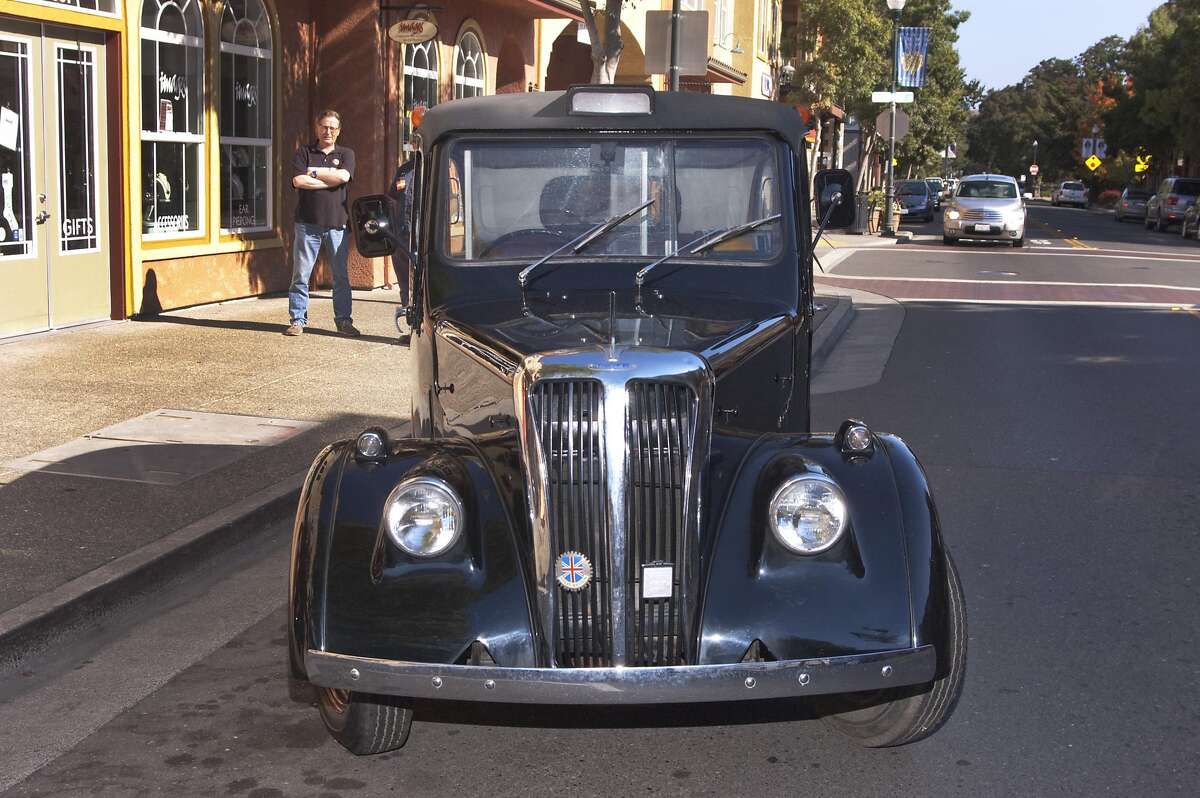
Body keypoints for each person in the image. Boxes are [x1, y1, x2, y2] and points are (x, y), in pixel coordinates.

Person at [285, 110, 358, 337]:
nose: (328, 131)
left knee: (341, 277)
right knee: (301, 274)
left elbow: (344, 177)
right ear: (317, 128)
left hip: (337, 224)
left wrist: (314, 174)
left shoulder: (346, 153)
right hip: (307, 224)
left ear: (339, 131)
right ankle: (298, 320)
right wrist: (329, 179)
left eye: (332, 128)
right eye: (324, 127)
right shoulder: (304, 152)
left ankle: (343, 321)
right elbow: (298, 180)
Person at [385, 158, 416, 309]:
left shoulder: (434, 166)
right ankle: (407, 310)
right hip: (402, 231)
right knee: (403, 278)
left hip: (423, 236)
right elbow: (392, 197)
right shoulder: (404, 170)